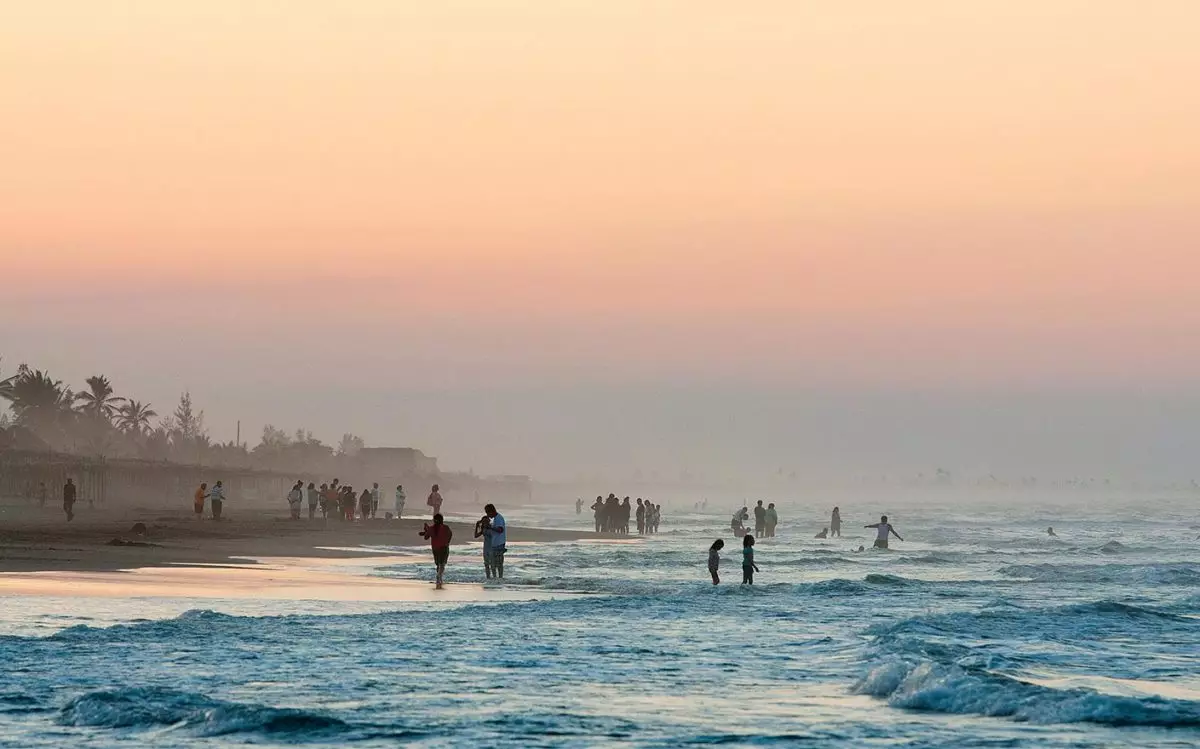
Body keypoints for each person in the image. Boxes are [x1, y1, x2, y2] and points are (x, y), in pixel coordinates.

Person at [420, 513, 453, 589]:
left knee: (438, 564)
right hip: (444, 547)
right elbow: (450, 535)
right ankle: (439, 576)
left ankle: (439, 576)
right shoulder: (446, 528)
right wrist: (447, 542)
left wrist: (426, 530)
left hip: (435, 548)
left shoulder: (431, 528)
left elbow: (426, 537)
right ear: (442, 520)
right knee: (442, 564)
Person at [484, 503, 506, 579]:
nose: (487, 515)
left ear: (491, 511)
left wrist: (491, 527)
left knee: (499, 564)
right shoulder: (496, 519)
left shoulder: (499, 518)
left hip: (499, 544)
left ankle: (500, 578)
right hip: (496, 544)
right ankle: (497, 578)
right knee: (494, 563)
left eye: (487, 513)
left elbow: (500, 529)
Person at [474, 512, 494, 579]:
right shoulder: (483, 530)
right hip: (486, 547)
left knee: (492, 564)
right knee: (486, 564)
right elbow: (476, 536)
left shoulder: (492, 528)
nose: (485, 523)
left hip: (492, 547)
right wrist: (477, 527)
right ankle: (488, 577)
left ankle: (494, 577)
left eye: (486, 522)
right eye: (484, 522)